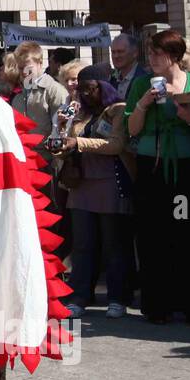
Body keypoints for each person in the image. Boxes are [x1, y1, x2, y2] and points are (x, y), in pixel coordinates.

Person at [125, 29, 190, 324]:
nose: (152, 59)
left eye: (157, 54)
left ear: (173, 56)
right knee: (152, 234)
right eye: (150, 53)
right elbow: (132, 130)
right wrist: (143, 104)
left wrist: (187, 112)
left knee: (188, 231)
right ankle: (157, 304)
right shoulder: (140, 85)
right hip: (153, 165)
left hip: (187, 167)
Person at [53, 65, 135, 318]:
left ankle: (117, 297)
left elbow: (116, 145)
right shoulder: (78, 112)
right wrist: (62, 128)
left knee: (114, 245)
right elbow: (61, 142)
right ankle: (80, 295)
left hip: (110, 182)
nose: (86, 95)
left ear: (103, 87)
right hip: (81, 185)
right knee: (83, 245)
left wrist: (78, 143)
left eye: (90, 90)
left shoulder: (117, 110)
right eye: (82, 90)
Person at [8, 42, 70, 158]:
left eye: (28, 68)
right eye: (21, 68)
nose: (24, 72)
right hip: (24, 157)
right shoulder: (18, 95)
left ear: (40, 64)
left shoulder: (54, 91)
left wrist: (56, 157)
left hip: (48, 159)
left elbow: (64, 129)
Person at [109, 32, 149, 102]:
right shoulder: (111, 79)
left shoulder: (145, 79)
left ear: (135, 53)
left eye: (120, 51)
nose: (116, 56)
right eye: (113, 52)